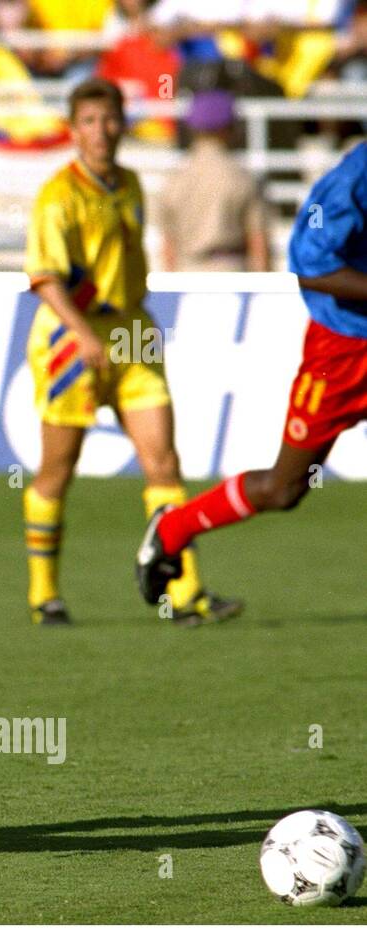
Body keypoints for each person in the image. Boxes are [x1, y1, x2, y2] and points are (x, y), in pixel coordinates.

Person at [21, 77, 240, 627]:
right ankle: (43, 594)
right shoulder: (58, 196)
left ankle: (184, 591)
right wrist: (84, 333)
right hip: (72, 340)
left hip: (132, 332)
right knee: (58, 469)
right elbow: (45, 279)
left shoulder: (131, 184)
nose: (102, 131)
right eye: (90, 121)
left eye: (110, 119)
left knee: (163, 462)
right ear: (74, 130)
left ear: (123, 122)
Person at [137, 141, 367, 604]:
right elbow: (310, 264)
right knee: (283, 489)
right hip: (344, 352)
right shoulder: (353, 180)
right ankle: (173, 527)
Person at [159, 90, 270, 272]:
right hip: (232, 271)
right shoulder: (243, 178)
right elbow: (259, 243)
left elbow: (169, 247)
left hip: (187, 271)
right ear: (228, 127)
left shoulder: (174, 180)